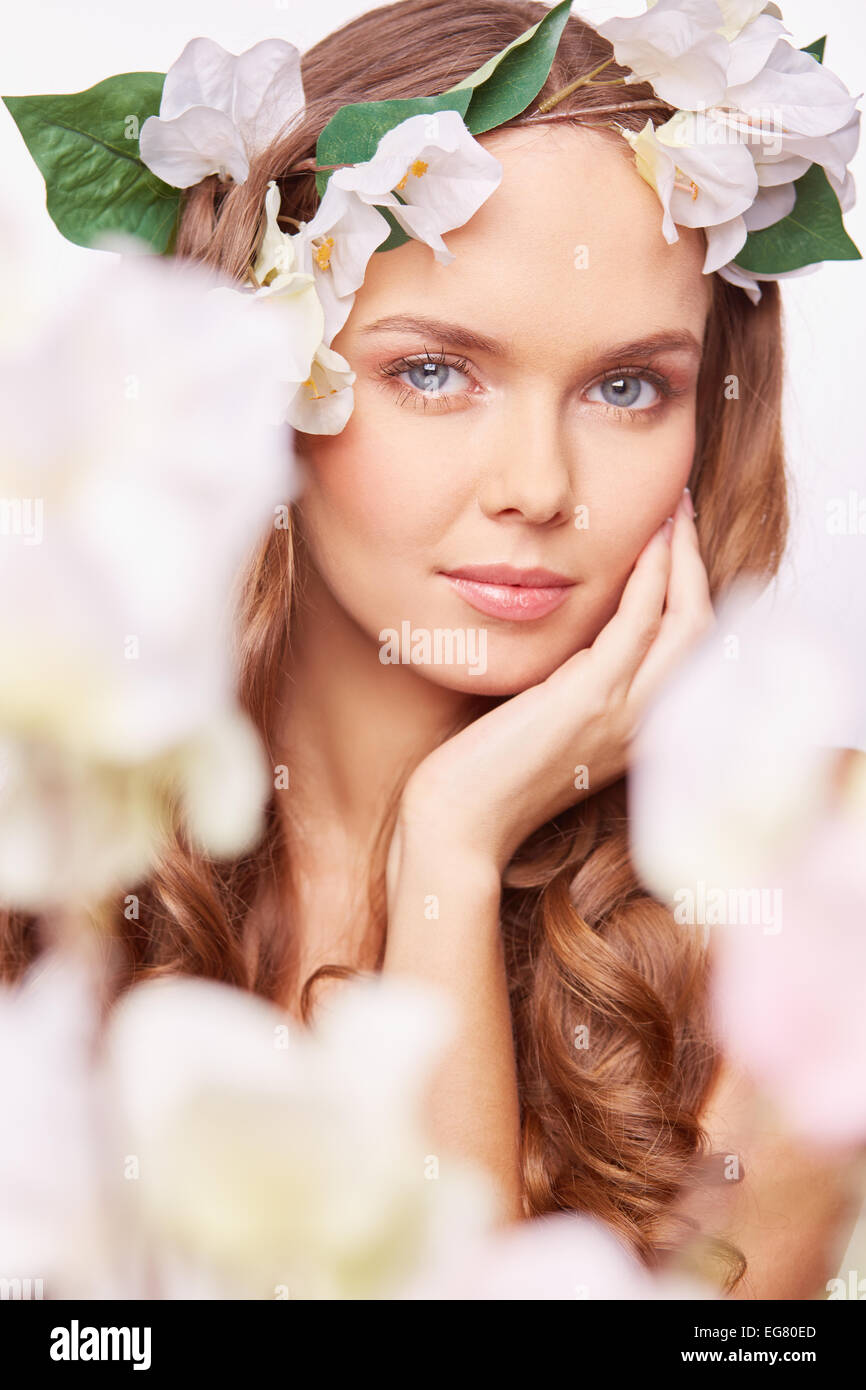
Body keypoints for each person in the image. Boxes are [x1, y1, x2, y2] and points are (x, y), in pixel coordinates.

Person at [5, 0, 861, 1296]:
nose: (535, 485)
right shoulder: (53, 819)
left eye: (628, 387)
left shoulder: (810, 876)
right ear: (266, 374)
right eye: (434, 371)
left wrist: (450, 854)